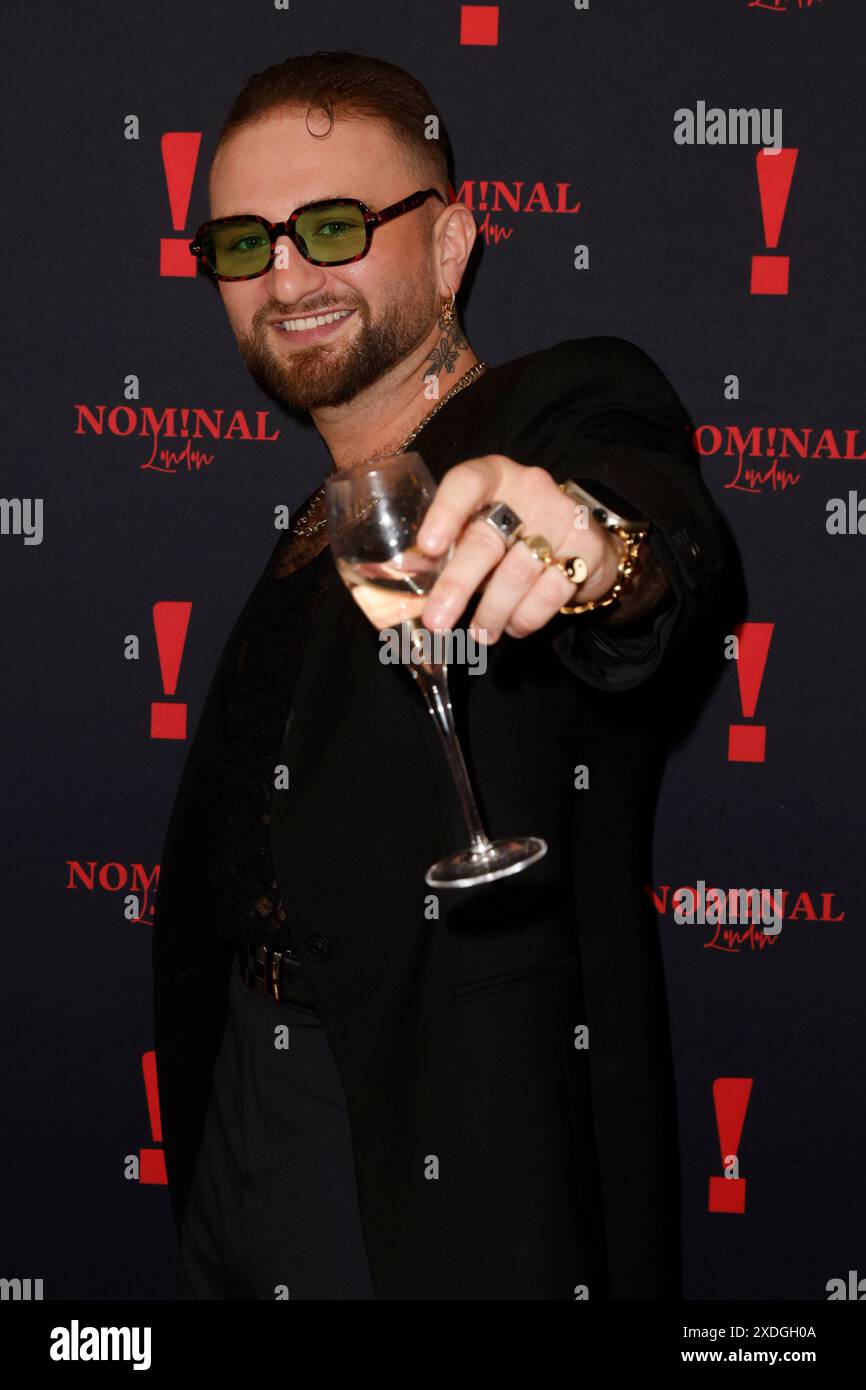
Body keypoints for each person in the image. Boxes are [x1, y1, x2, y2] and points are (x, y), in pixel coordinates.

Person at [152, 49, 734, 1300]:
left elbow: (637, 537)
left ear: (455, 241)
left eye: (332, 225)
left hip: (426, 1136)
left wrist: (592, 551)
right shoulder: (326, 515)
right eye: (242, 244)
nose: (286, 274)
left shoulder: (555, 409)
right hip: (236, 1108)